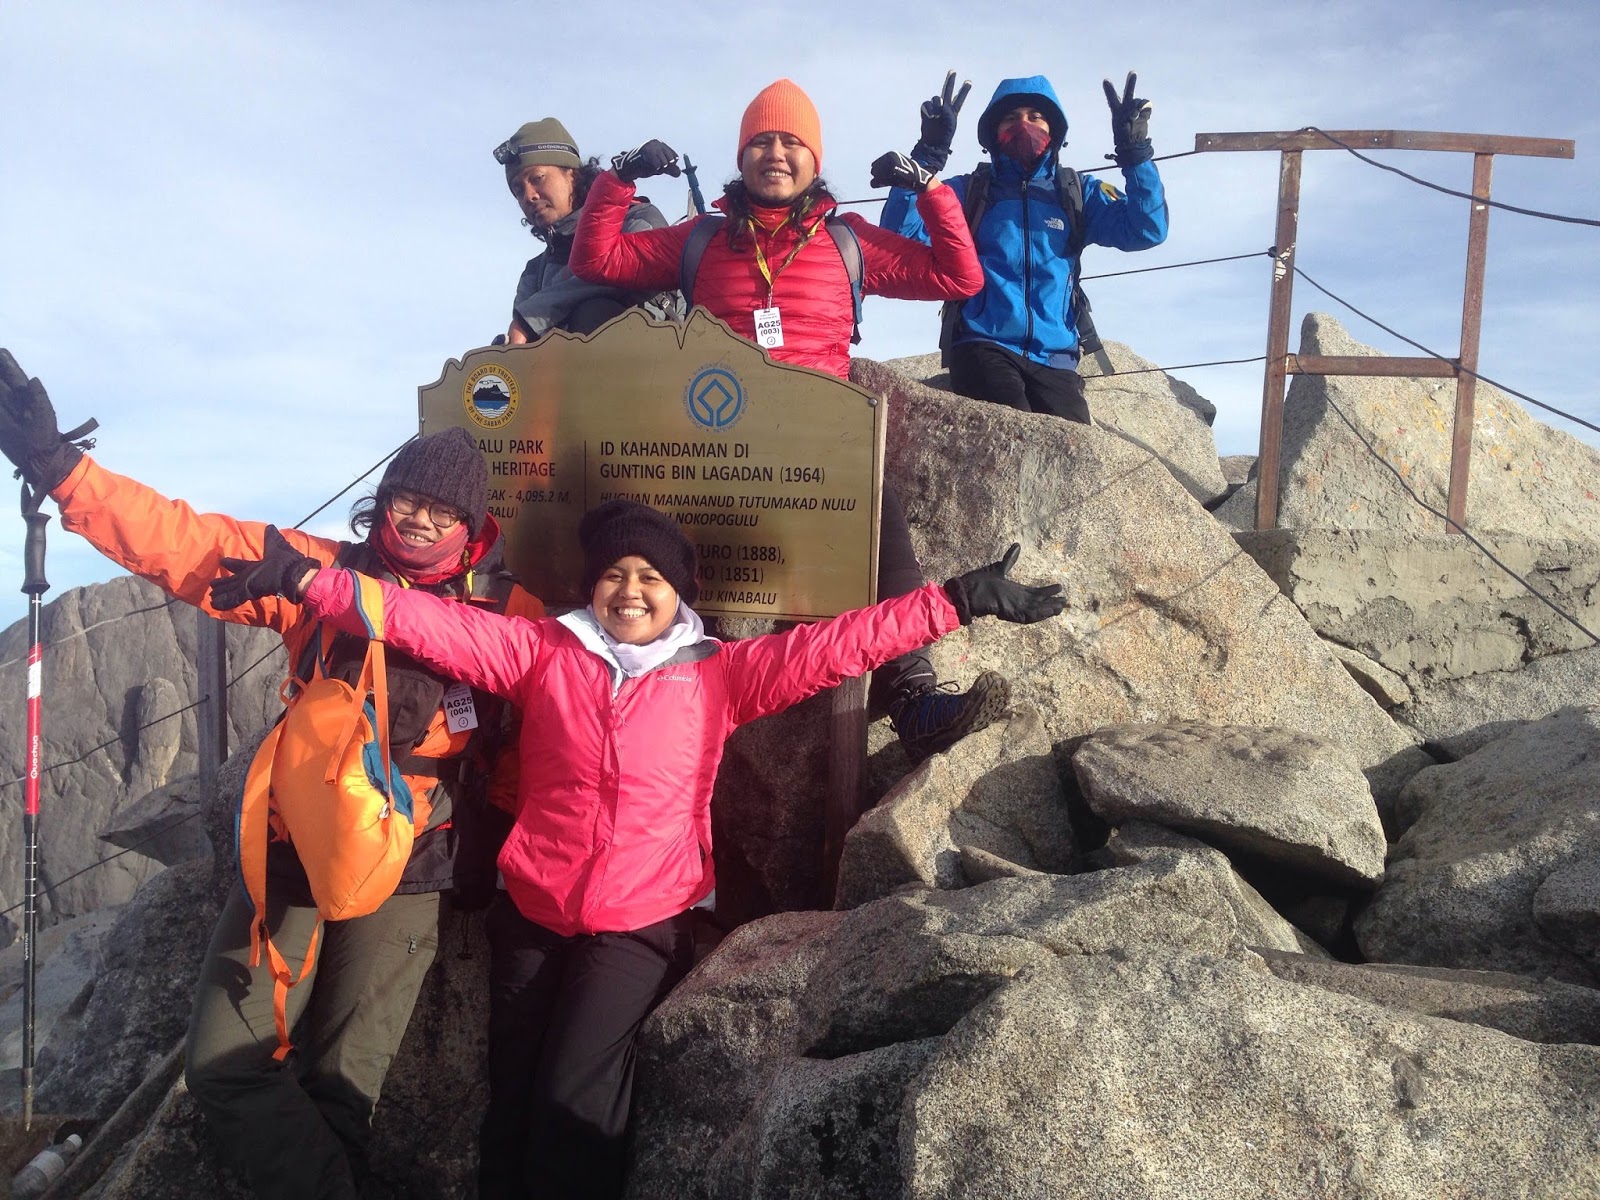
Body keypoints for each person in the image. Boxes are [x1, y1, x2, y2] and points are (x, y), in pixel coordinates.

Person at [207, 497, 1067, 1199]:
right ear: (592, 587)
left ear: (679, 591)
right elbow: (424, 622)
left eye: (650, 576)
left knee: (573, 1101)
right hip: (532, 911)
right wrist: (310, 582)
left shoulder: (717, 674)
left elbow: (835, 647)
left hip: (640, 924)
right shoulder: (543, 651)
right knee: (508, 1105)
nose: (630, 589)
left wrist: (957, 598)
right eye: (615, 574)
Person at [0, 348, 542, 1200]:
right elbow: (190, 542)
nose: (423, 522)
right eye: (408, 500)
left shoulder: (512, 615)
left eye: (445, 510)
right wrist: (65, 473)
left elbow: (550, 719)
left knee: (346, 1085)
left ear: (474, 525)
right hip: (297, 838)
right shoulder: (317, 574)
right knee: (224, 1062)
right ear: (384, 501)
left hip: (415, 856)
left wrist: (500, 840)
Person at [569, 78, 1006, 760]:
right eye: (761, 141)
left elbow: (960, 279)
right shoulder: (701, 242)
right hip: (719, 444)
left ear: (813, 158)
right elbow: (597, 258)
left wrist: (928, 187)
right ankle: (633, 693)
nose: (776, 153)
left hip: (819, 441)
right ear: (741, 157)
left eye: (791, 141)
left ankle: (912, 694)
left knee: (878, 531)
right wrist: (619, 178)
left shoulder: (849, 242)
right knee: (655, 550)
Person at [881, 71, 1169, 423]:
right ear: (993, 133)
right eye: (1011, 118)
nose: (1023, 125)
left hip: (1056, 355)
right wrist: (928, 157)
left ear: (1055, 130)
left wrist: (1135, 155)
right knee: (1016, 429)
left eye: (1035, 116)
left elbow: (1147, 229)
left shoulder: (1078, 192)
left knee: (1071, 455)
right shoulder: (970, 192)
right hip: (983, 343)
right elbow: (901, 235)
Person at [493, 117, 680, 343]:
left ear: (571, 174)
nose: (529, 195)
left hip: (658, 363)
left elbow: (631, 271)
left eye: (537, 178)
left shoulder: (637, 218)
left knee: (593, 311)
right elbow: (521, 339)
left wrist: (531, 318)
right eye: (518, 190)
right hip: (563, 375)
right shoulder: (535, 272)